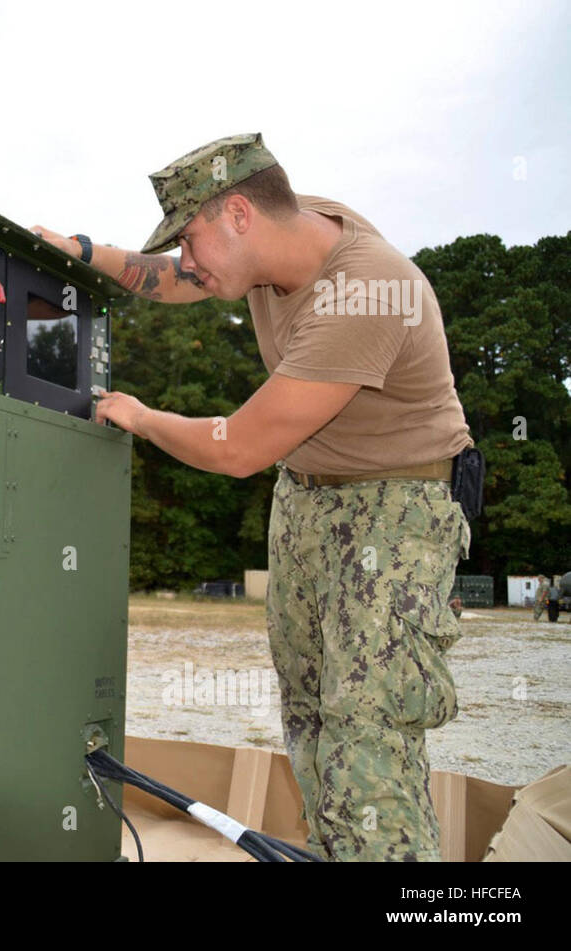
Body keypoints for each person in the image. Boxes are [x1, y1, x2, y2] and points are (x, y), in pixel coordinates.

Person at [33, 133, 473, 862]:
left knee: (368, 734)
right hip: (304, 498)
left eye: (194, 237)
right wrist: (83, 251)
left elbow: (236, 446)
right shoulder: (277, 237)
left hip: (396, 510)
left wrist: (140, 415)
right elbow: (172, 278)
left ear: (239, 213)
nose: (190, 259)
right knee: (308, 717)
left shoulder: (366, 289)